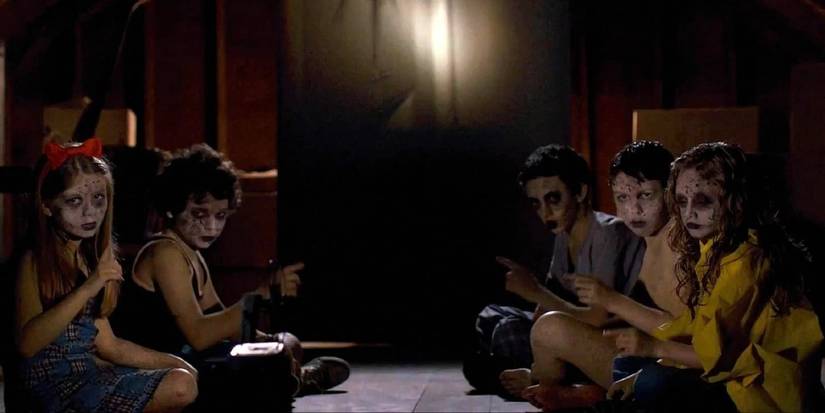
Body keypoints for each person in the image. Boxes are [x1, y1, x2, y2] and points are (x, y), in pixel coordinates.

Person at [111, 144, 349, 397]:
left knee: (286, 343)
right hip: (166, 364)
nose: (212, 226)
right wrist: (259, 294)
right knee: (271, 360)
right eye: (200, 214)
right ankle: (297, 380)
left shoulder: (192, 253)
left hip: (191, 353)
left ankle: (290, 378)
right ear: (172, 208)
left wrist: (265, 340)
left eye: (221, 215)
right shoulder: (165, 252)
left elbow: (218, 319)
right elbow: (199, 335)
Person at [605, 142, 823, 412]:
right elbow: (696, 327)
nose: (689, 213)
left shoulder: (745, 260)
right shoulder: (713, 247)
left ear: (735, 201)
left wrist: (655, 348)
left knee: (652, 381)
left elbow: (714, 356)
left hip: (760, 390)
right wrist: (652, 350)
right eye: (682, 202)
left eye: (703, 201)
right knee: (629, 366)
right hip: (727, 372)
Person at [14, 137, 198, 412]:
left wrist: (177, 363)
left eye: (98, 198)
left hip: (89, 373)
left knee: (182, 379)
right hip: (54, 386)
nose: (90, 211)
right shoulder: (34, 260)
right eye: (74, 201)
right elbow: (27, 345)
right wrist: (89, 287)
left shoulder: (88, 260)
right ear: (46, 205)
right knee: (180, 386)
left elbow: (109, 345)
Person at [464, 144, 645, 398]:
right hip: (570, 325)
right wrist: (538, 305)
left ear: (580, 191)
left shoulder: (608, 233)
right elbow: (550, 300)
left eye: (553, 199)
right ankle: (528, 372)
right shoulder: (563, 234)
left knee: (505, 336)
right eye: (536, 204)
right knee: (492, 316)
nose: (545, 213)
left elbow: (599, 319)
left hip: (606, 338)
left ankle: (539, 377)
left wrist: (534, 291)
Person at [521, 140, 687, 410]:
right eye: (622, 198)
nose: (634, 210)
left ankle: (588, 395)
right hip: (641, 356)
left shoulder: (679, 248)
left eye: (646, 195)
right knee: (541, 328)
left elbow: (690, 337)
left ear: (670, 192)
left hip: (671, 368)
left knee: (549, 330)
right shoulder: (643, 240)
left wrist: (612, 300)